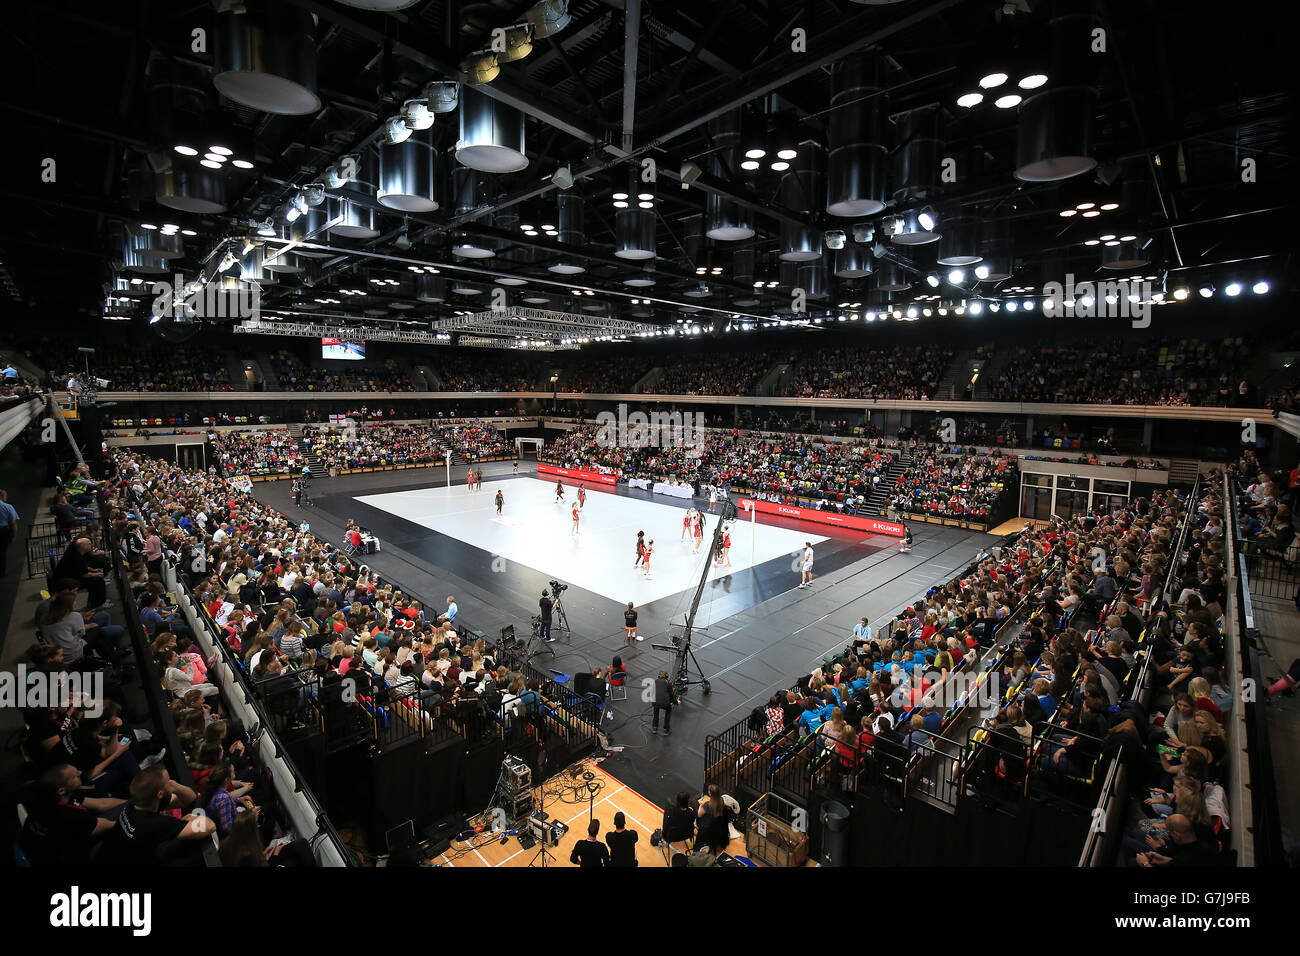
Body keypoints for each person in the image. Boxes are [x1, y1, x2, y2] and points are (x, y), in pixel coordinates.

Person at [98, 766, 215, 865]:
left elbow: (190, 799)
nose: (171, 783)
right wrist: (191, 817)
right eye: (168, 782)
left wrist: (173, 786)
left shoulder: (136, 805)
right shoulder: (153, 824)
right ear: (160, 794)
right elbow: (209, 826)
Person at [0, 488, 21, 578]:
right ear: (1, 496)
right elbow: (13, 524)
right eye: (5, 496)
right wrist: (14, 536)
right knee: (2, 552)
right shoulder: (7, 507)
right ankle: (1, 573)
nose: (6, 498)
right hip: (2, 532)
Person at [651, 669, 678, 735]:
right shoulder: (668, 683)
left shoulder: (654, 681)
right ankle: (666, 729)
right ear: (666, 677)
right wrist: (676, 702)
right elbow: (671, 696)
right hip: (664, 703)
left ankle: (654, 728)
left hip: (655, 702)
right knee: (669, 710)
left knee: (656, 709)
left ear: (659, 676)